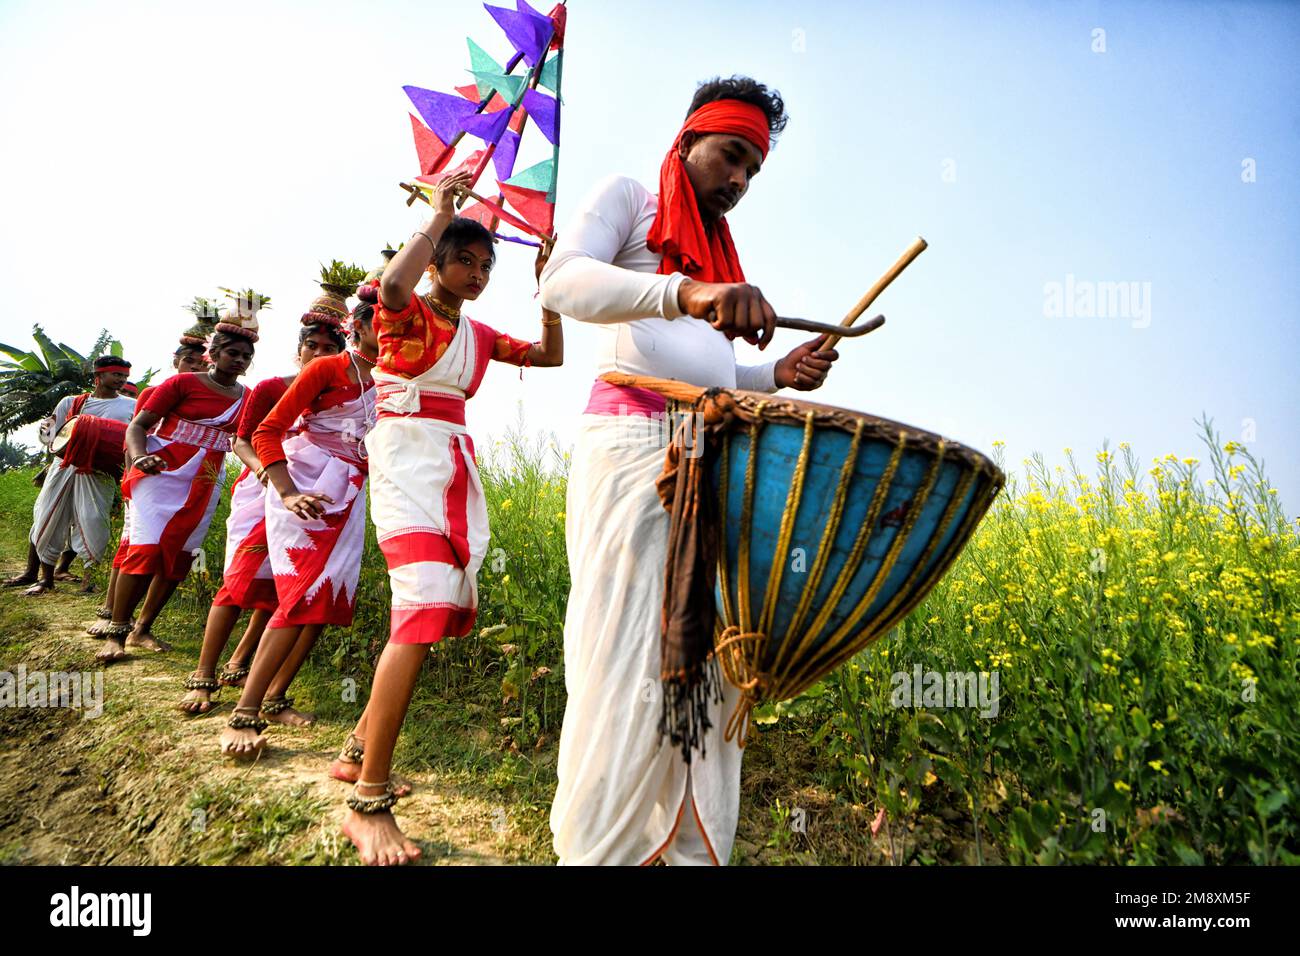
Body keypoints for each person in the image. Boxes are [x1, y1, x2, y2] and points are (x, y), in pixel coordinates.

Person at [538, 76, 841, 865]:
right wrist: (687, 290)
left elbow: (708, 375)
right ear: (688, 140)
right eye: (731, 155)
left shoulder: (716, 254)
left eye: (753, 171)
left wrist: (775, 375)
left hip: (709, 458)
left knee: (709, 656)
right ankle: (602, 852)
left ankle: (684, 854)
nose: (739, 180)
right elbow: (561, 281)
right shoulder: (633, 200)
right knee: (629, 654)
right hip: (632, 453)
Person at [338, 171, 563, 865]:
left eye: (486, 265)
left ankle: (355, 750)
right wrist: (440, 215)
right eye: (464, 260)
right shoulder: (406, 313)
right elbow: (395, 288)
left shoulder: (481, 333)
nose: (476, 273)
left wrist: (548, 286)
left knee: (435, 606)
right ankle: (368, 801)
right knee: (423, 608)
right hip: (407, 463)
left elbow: (551, 355)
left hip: (451, 467)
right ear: (437, 259)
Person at [218, 284, 377, 753]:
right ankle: (244, 711)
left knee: (322, 600)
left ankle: (275, 698)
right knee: (298, 594)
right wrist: (286, 492)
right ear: (361, 324)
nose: (392, 332)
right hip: (305, 483)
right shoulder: (328, 370)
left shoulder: (393, 379)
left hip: (350, 491)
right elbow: (265, 431)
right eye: (382, 321)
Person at [179, 320, 345, 713]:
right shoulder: (273, 387)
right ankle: (204, 676)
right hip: (265, 488)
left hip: (319, 493)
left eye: (328, 348)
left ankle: (250, 674)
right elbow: (242, 438)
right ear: (299, 349)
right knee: (240, 582)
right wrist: (265, 473)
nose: (319, 353)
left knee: (288, 586)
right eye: (312, 345)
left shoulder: (343, 394)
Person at [98, 317, 256, 664]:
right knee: (146, 547)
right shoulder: (182, 384)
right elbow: (138, 426)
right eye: (232, 352)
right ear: (213, 353)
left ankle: (143, 629)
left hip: (205, 477)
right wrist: (140, 458)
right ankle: (117, 632)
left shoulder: (248, 398)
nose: (240, 360)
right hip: (161, 467)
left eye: (246, 355)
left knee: (181, 554)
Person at [90, 330, 211, 631]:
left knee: (167, 547)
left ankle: (135, 621)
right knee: (134, 543)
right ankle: (112, 612)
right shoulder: (158, 391)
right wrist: (133, 478)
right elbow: (137, 434)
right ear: (176, 361)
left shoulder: (211, 394)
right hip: (152, 476)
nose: (195, 367)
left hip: (192, 477)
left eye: (200, 363)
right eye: (189, 361)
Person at [7, 356, 136, 596]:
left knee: (94, 520)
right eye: (117, 375)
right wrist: (66, 443)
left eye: (125, 376)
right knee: (48, 516)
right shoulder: (70, 403)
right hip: (63, 468)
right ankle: (45, 579)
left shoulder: (131, 406)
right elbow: (50, 436)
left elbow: (135, 437)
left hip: (99, 473)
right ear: (99, 377)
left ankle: (90, 580)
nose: (121, 379)